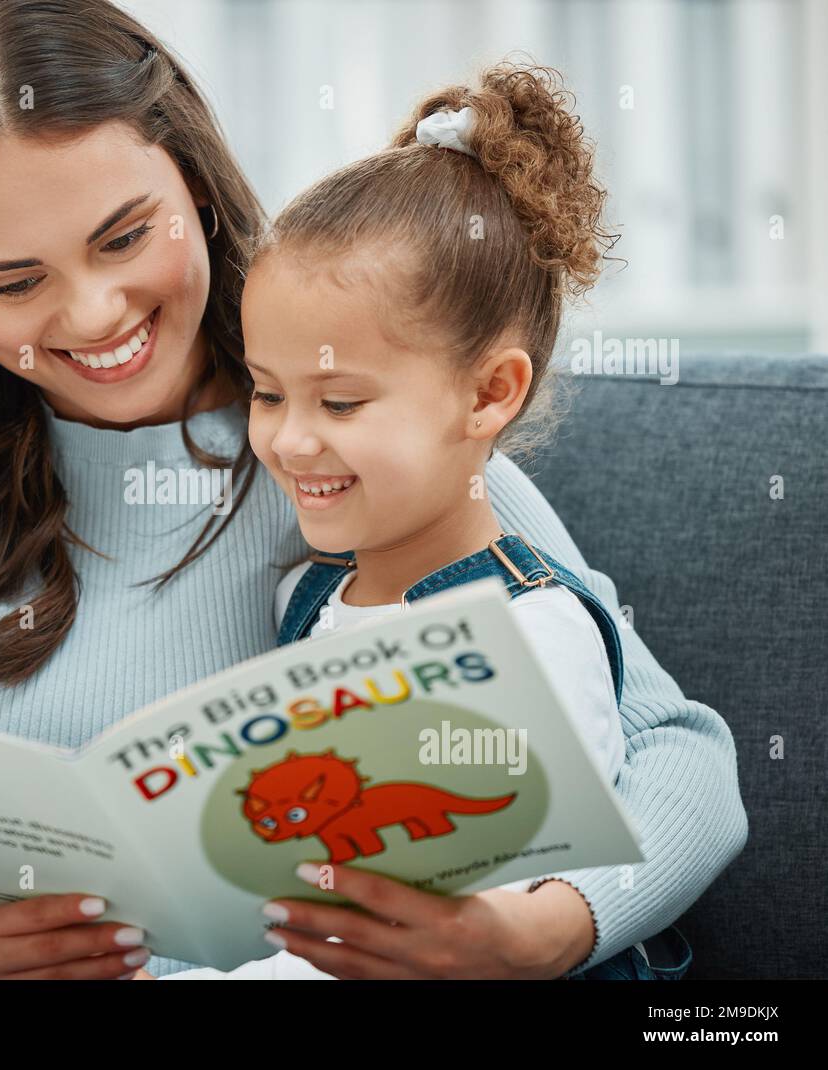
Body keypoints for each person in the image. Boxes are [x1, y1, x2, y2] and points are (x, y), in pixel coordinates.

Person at [0, 0, 745, 981]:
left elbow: (675, 751)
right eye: (15, 281)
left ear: (190, 178)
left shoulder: (338, 411)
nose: (97, 313)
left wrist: (544, 927)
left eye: (125, 236)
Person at [159, 60, 662, 982]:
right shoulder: (304, 599)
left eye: (341, 404)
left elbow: (445, 936)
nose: (288, 441)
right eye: (267, 394)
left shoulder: (536, 635)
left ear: (488, 394)